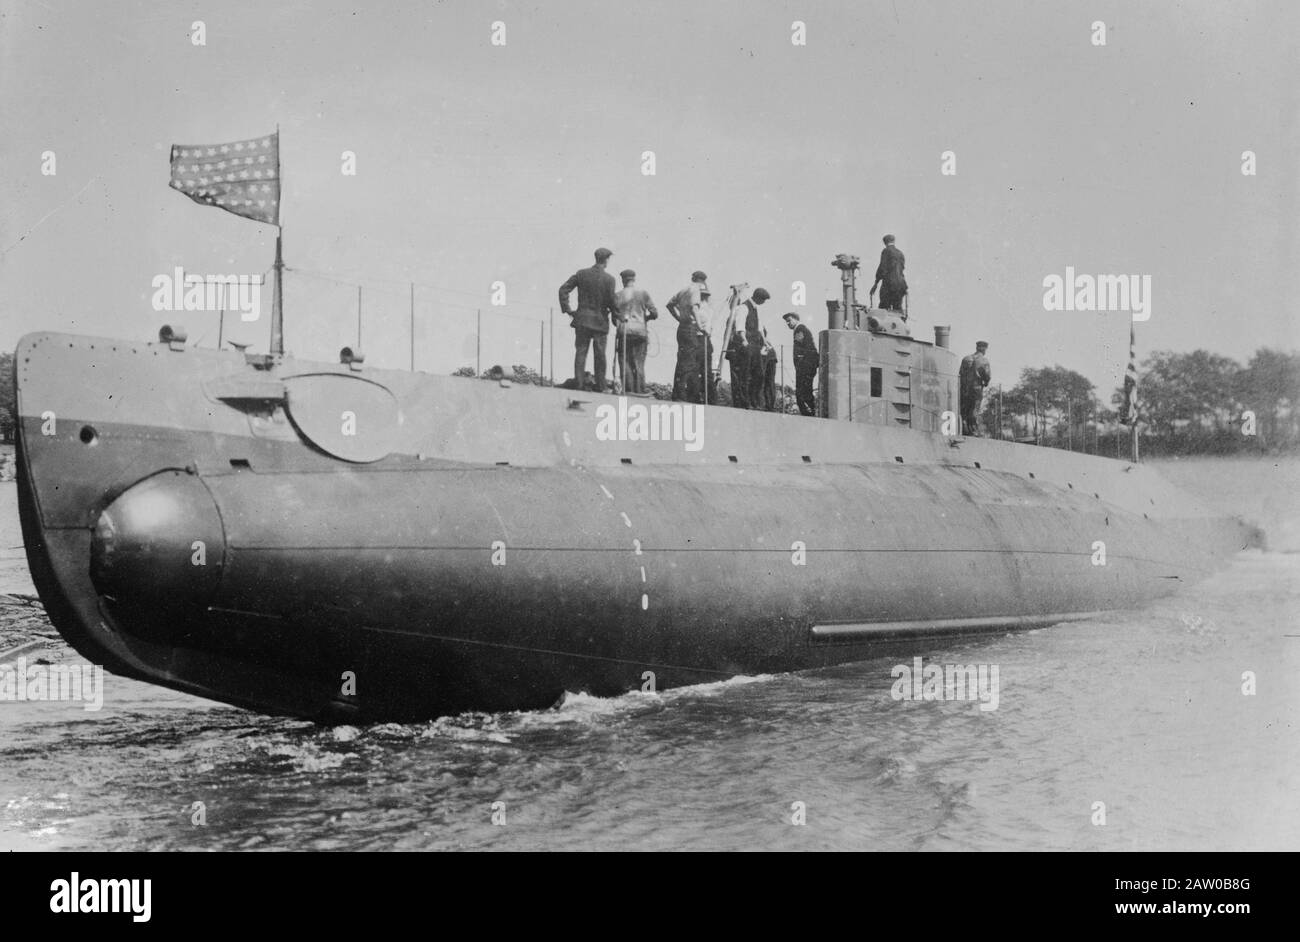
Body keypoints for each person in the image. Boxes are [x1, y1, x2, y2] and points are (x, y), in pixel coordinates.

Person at [558, 247, 618, 391]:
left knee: (581, 352)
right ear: (607, 260)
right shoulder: (610, 279)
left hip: (582, 320)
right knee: (600, 355)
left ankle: (578, 384)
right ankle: (601, 386)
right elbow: (611, 302)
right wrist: (617, 315)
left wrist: (568, 310)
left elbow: (563, 289)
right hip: (600, 321)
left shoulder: (581, 274)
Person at [613, 269, 658, 394]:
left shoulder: (617, 295)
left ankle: (628, 390)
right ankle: (639, 390)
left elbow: (614, 318)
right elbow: (654, 313)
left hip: (624, 331)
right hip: (640, 332)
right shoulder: (643, 293)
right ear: (634, 279)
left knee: (625, 361)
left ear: (623, 280)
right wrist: (645, 319)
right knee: (639, 363)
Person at [667, 270, 709, 403]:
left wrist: (679, 318)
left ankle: (677, 393)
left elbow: (669, 305)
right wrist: (700, 327)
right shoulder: (696, 290)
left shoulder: (683, 290)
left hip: (682, 327)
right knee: (689, 362)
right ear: (702, 281)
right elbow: (694, 308)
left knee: (681, 359)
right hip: (691, 327)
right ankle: (682, 395)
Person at [726, 287, 770, 409]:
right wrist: (744, 340)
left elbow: (760, 327)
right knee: (744, 374)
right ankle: (745, 402)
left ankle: (754, 400)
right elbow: (740, 326)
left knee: (759, 374)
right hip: (746, 344)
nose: (764, 303)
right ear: (758, 298)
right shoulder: (744, 307)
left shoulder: (756, 309)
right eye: (763, 300)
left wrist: (765, 341)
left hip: (755, 345)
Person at [785, 311, 818, 416]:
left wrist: (800, 364)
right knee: (806, 390)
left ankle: (808, 413)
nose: (788, 323)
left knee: (802, 392)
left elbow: (800, 349)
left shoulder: (799, 329)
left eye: (789, 320)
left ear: (796, 319)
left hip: (805, 366)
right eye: (786, 322)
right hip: (808, 365)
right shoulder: (801, 329)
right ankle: (810, 411)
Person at [959, 341, 991, 436]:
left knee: (964, 408)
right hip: (976, 388)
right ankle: (973, 430)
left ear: (977, 348)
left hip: (964, 388)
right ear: (984, 349)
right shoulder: (984, 360)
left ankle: (964, 428)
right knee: (974, 408)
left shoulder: (966, 359)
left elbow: (960, 373)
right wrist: (986, 383)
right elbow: (987, 376)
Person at [871, 234, 907, 314]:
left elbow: (882, 268)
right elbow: (902, 269)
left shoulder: (886, 251)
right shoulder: (900, 253)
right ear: (894, 241)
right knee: (897, 310)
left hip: (889, 285)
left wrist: (876, 283)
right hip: (901, 285)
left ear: (884, 242)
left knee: (883, 310)